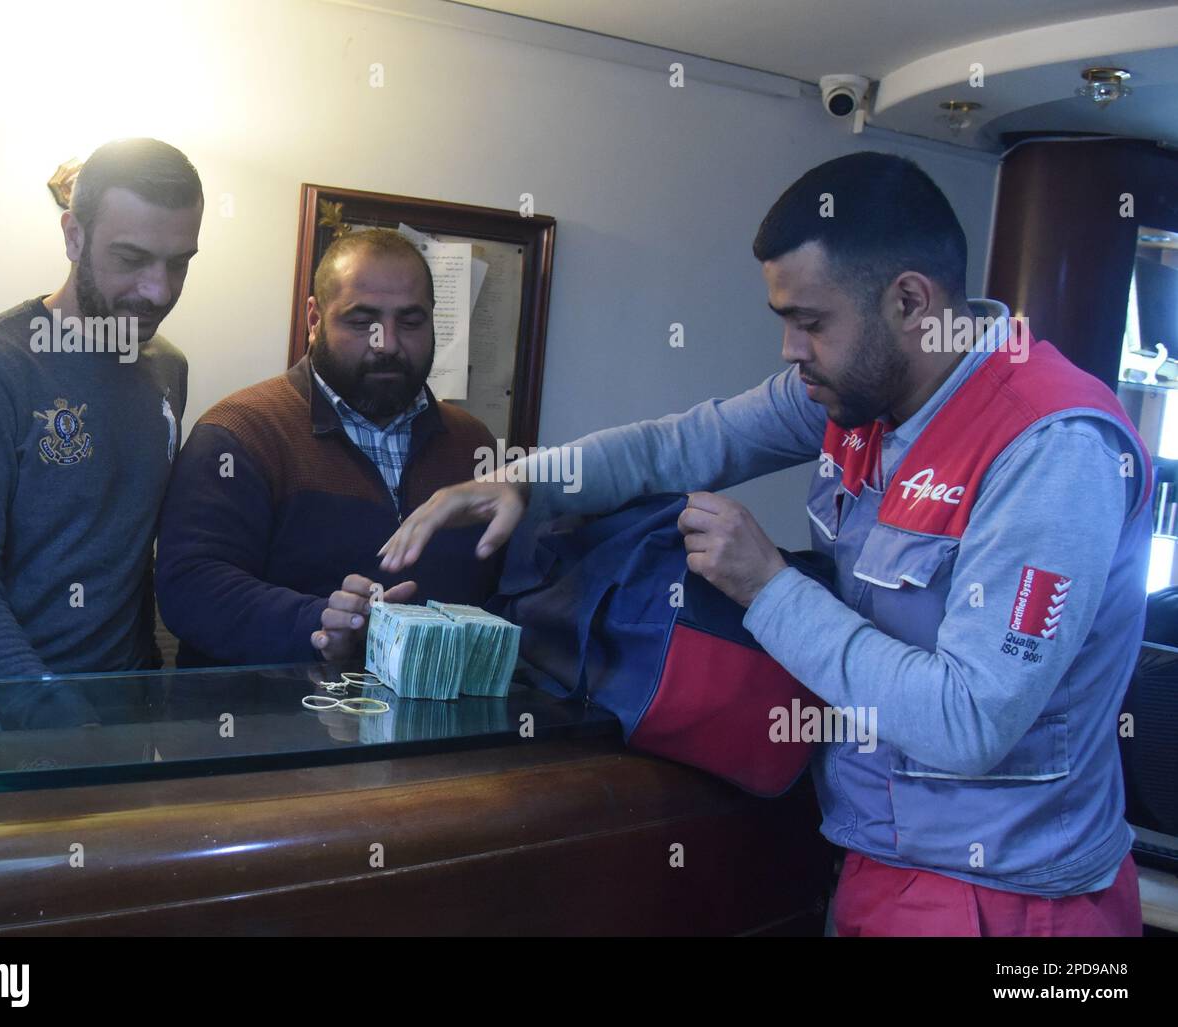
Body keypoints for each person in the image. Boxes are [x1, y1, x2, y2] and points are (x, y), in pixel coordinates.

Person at [377, 152, 1151, 937]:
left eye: (810, 322)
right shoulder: (860, 392)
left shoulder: (1052, 448)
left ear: (910, 301)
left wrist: (771, 588)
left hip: (1013, 900)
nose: (789, 349)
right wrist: (531, 481)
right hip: (875, 850)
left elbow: (969, 720)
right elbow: (685, 443)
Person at [0, 138, 203, 725]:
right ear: (73, 235)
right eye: (131, 259)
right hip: (7, 720)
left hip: (129, 709)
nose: (160, 290)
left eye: (180, 262)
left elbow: (131, 556)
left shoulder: (168, 368)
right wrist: (57, 714)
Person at [155, 228, 500, 667]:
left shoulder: (475, 446)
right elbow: (191, 588)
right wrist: (319, 624)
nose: (387, 344)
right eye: (362, 322)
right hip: (271, 727)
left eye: (411, 322)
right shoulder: (239, 432)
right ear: (314, 320)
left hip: (444, 726)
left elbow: (500, 592)